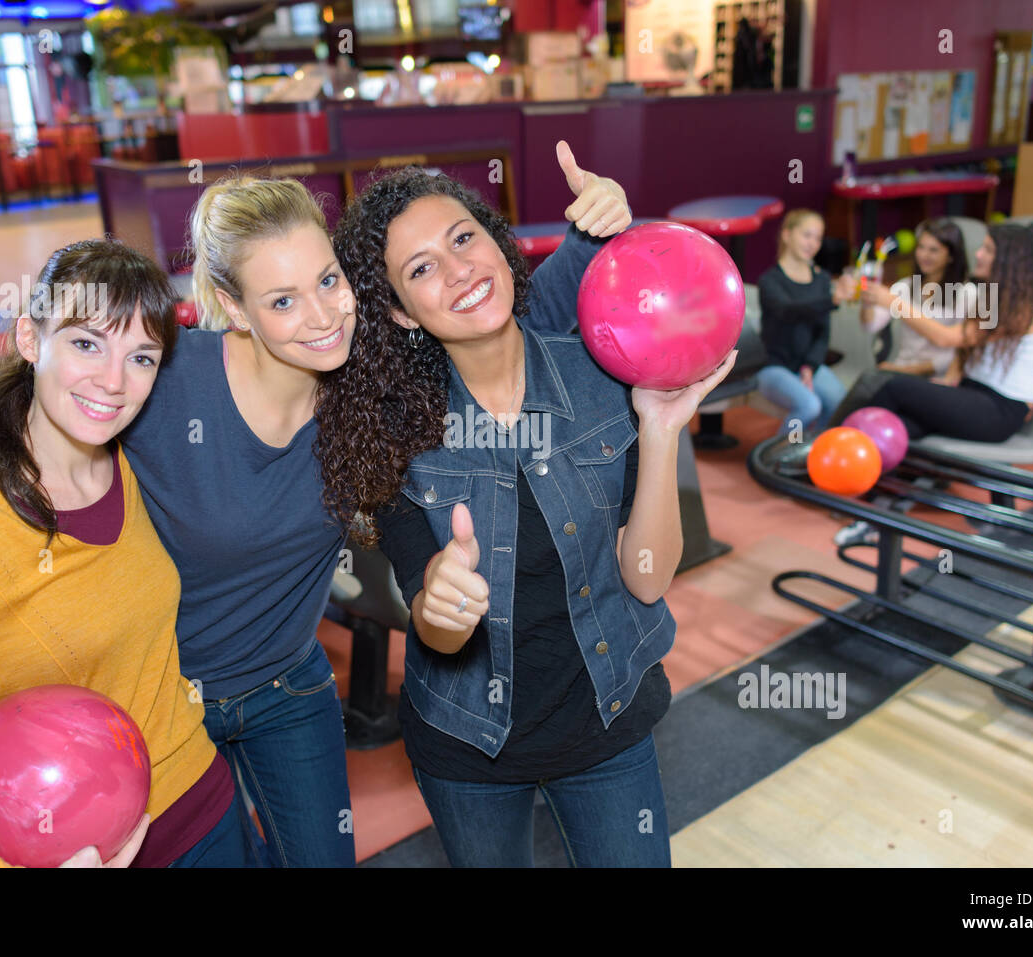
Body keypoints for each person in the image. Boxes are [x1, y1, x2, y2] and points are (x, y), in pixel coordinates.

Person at [0, 179, 358, 867]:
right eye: (281, 298)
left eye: (328, 279)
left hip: (267, 702)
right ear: (232, 307)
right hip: (166, 704)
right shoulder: (153, 381)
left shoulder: (365, 393)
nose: (318, 314)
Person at [315, 142, 736, 867]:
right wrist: (440, 606)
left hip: (606, 719)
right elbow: (439, 636)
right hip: (468, 743)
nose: (457, 272)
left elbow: (647, 578)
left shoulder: (602, 372)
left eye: (463, 239)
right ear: (401, 312)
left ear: (498, 242)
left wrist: (662, 431)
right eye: (421, 270)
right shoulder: (400, 435)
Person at [830, 223, 1033, 545]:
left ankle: (822, 450)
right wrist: (951, 378)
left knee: (887, 384)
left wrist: (893, 301)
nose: (979, 253)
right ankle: (873, 509)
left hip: (1000, 411)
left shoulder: (1020, 310)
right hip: (974, 394)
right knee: (898, 425)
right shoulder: (993, 295)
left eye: (988, 249)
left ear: (1009, 260)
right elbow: (967, 348)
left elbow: (948, 338)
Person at [756, 209, 857, 437]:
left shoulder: (821, 279)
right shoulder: (770, 281)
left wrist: (809, 367)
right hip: (773, 367)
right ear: (787, 235)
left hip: (808, 366)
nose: (812, 243)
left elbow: (823, 334)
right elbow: (787, 312)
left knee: (840, 404)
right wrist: (831, 299)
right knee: (809, 406)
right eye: (806, 235)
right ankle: (778, 460)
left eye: (818, 238)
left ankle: (811, 456)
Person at [866, 218, 972, 378]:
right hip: (900, 369)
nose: (924, 255)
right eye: (921, 247)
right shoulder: (906, 286)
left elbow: (955, 348)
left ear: (951, 256)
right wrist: (867, 300)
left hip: (936, 378)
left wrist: (905, 371)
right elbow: (871, 325)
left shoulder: (966, 294)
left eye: (933, 250)